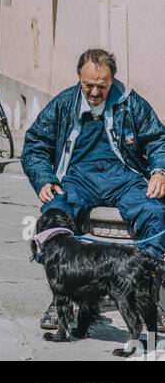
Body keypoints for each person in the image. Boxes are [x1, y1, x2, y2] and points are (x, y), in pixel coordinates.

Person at [21, 47, 165, 329]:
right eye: (88, 85)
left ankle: (150, 296)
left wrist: (159, 171)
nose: (95, 92)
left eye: (102, 85)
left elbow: (157, 139)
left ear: (112, 79)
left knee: (154, 211)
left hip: (123, 175)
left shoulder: (130, 103)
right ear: (79, 77)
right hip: (79, 176)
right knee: (55, 211)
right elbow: (35, 144)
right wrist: (44, 178)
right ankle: (62, 294)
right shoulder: (64, 104)